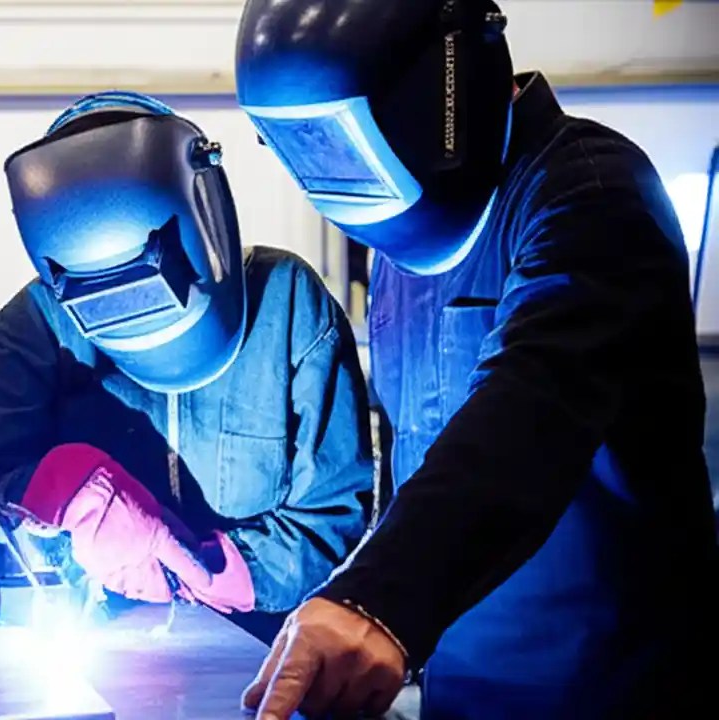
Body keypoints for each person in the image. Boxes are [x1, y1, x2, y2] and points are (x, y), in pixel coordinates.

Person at [233, 0, 719, 718]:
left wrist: (377, 598)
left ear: (442, 91)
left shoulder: (591, 194)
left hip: (612, 692)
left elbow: (532, 404)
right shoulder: (404, 255)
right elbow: (421, 468)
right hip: (460, 691)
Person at [0, 91, 377, 639]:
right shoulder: (35, 326)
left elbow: (333, 513)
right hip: (108, 639)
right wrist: (47, 495)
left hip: (267, 641)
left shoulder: (286, 304)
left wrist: (207, 568)